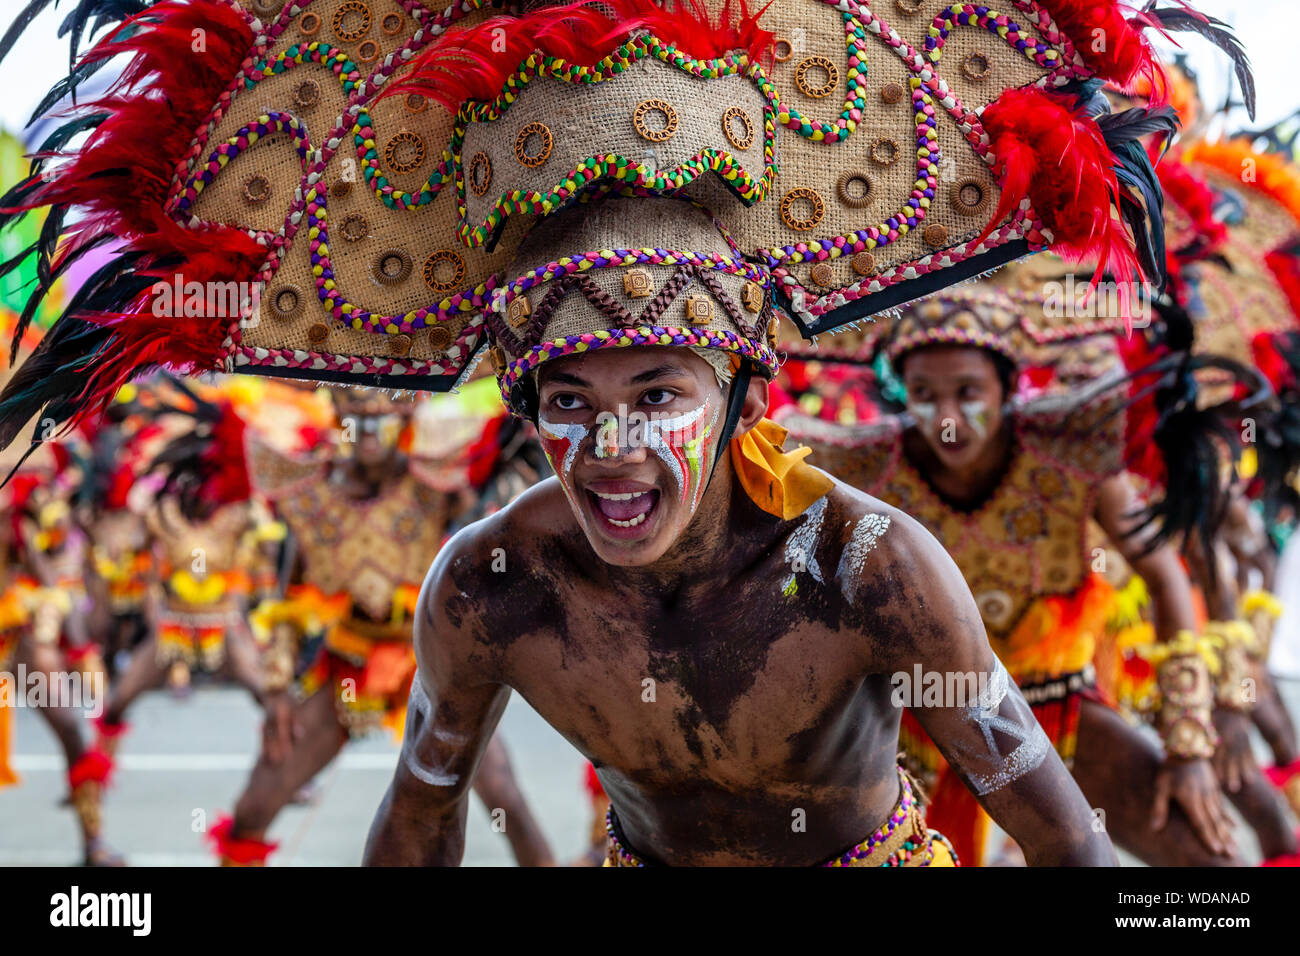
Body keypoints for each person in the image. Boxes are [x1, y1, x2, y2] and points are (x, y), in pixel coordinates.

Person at [779, 277, 1273, 866]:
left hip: (1059, 705)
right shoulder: (863, 471)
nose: (948, 418)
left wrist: (1188, 744)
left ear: (1009, 386)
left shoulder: (1073, 456)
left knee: (1215, 862)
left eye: (969, 391)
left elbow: (1165, 576)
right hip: (921, 718)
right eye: (923, 394)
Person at [210, 386, 554, 865]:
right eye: (359, 419)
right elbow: (286, 607)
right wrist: (275, 692)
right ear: (337, 416)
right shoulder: (306, 496)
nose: (369, 433)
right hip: (346, 670)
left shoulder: (440, 488)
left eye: (382, 419)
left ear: (407, 416)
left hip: (432, 670)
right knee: (255, 805)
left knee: (506, 800)